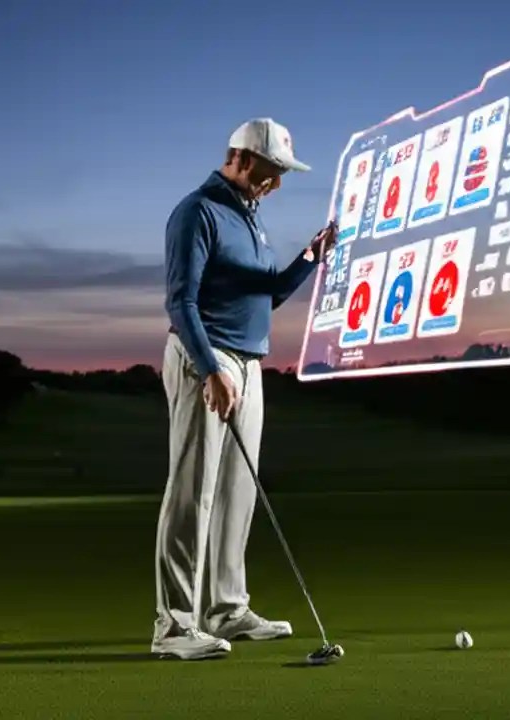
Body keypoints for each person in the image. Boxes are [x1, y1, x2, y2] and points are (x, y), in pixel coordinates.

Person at [152, 118, 337, 660]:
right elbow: (180, 301)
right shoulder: (198, 211)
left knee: (238, 493)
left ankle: (226, 610)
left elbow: (268, 294)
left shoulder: (250, 220)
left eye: (283, 175)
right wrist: (211, 368)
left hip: (250, 363)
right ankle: (175, 625)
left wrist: (310, 256)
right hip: (203, 358)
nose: (276, 184)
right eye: (271, 171)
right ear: (241, 157)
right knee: (194, 491)